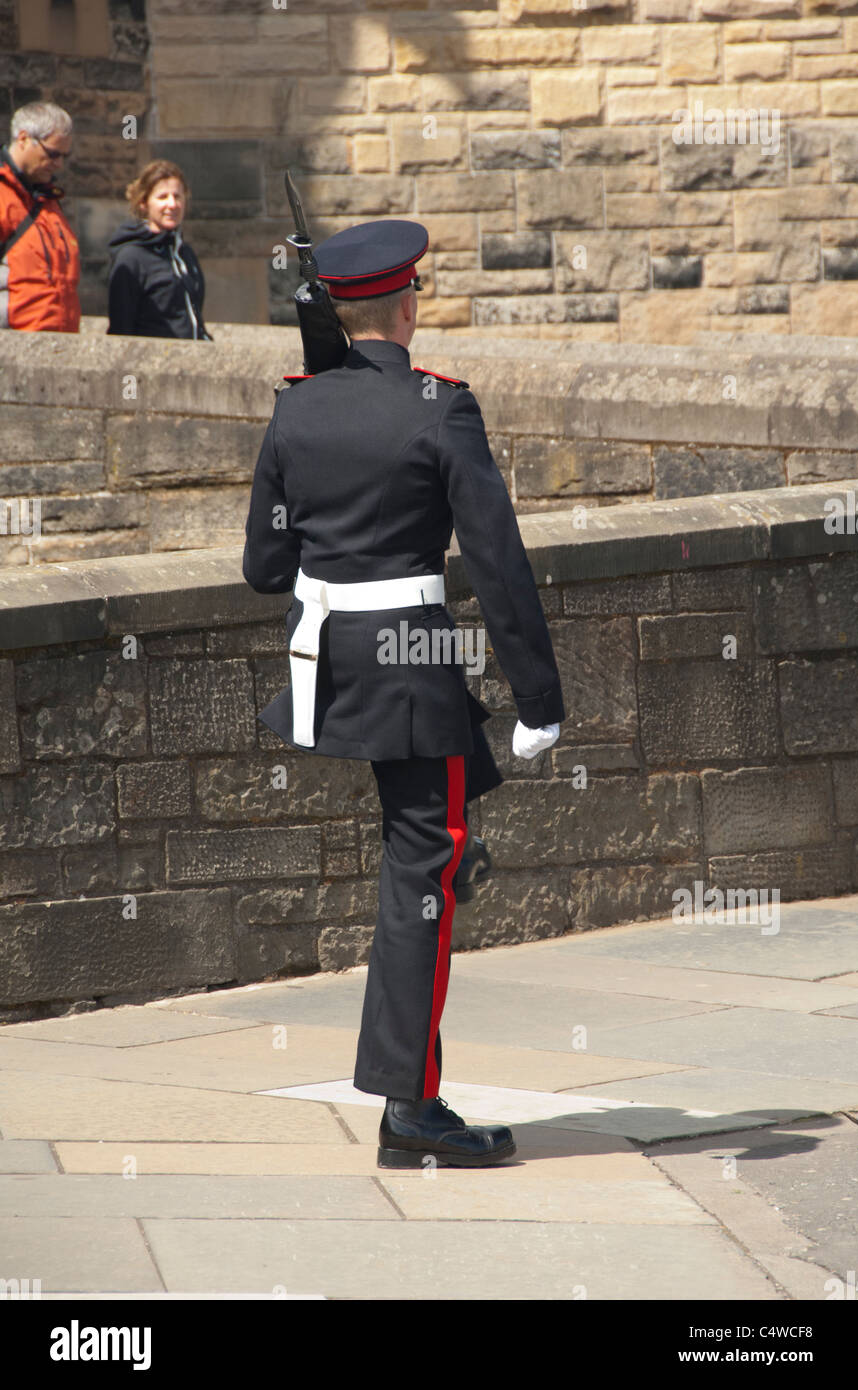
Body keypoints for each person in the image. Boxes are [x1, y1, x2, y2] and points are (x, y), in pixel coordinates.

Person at [242, 219, 564, 1169]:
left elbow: (265, 564)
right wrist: (538, 699)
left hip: (330, 661)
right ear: (407, 303)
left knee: (423, 861)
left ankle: (407, 1092)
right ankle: (410, 1110)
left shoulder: (295, 407)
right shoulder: (440, 406)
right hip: (414, 661)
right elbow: (497, 563)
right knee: (427, 868)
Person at [107, 160, 211, 339]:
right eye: (162, 197)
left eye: (177, 196)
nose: (172, 204)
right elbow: (121, 329)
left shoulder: (185, 254)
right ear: (144, 203)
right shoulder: (131, 258)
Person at [0, 102, 79, 332]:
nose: (59, 165)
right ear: (23, 139)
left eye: (64, 156)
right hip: (12, 346)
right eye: (52, 154)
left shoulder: (49, 199)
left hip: (58, 347)